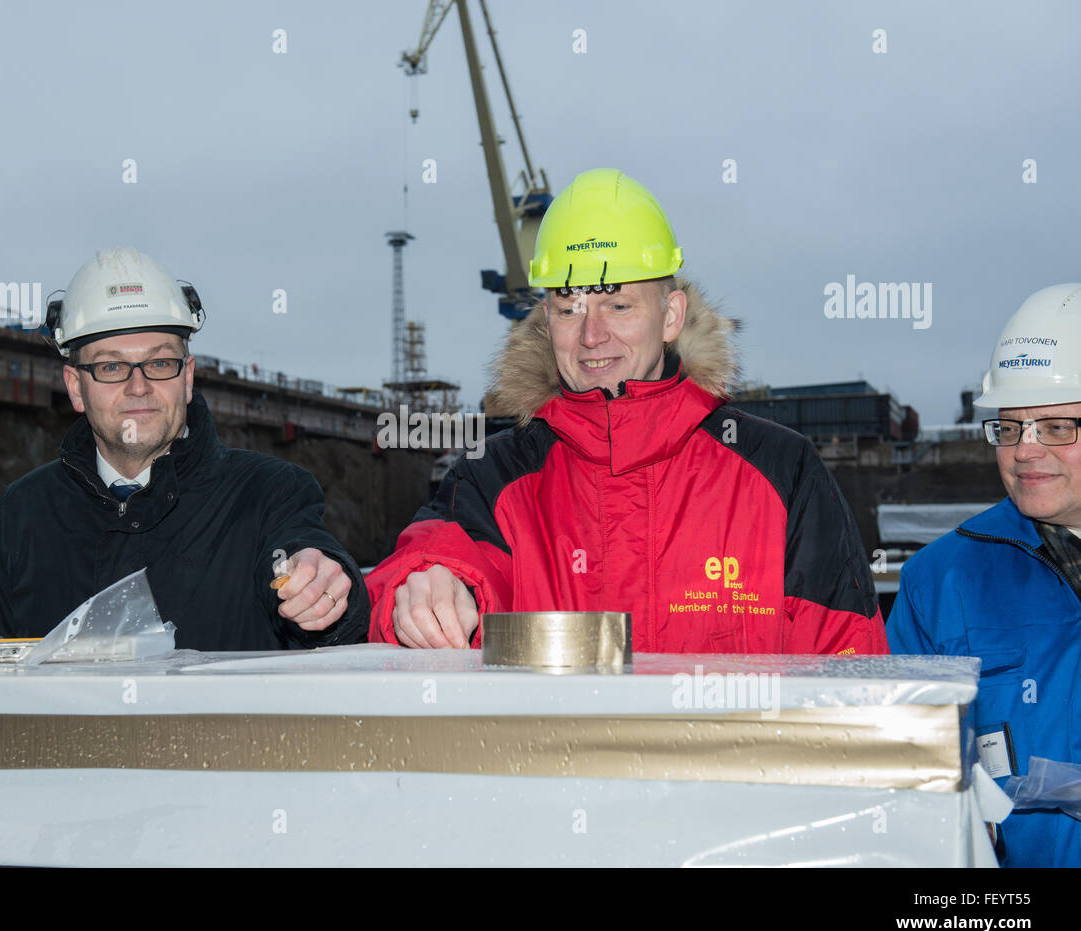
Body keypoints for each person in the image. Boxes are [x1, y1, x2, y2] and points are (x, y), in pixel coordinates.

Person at [366, 169, 887, 654]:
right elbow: (414, 570)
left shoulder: (781, 472)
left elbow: (849, 673)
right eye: (570, 307)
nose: (592, 335)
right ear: (546, 320)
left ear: (671, 316)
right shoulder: (491, 481)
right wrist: (425, 586)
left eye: (618, 305)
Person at [0, 247, 369, 650]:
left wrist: (323, 588)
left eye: (159, 364)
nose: (138, 386)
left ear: (187, 377)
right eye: (111, 367)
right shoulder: (23, 510)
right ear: (76, 387)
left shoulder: (269, 493)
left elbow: (308, 564)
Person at [888, 283, 1081, 867]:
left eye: (1055, 427)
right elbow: (901, 768)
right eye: (1009, 426)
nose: (1024, 450)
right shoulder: (940, 581)